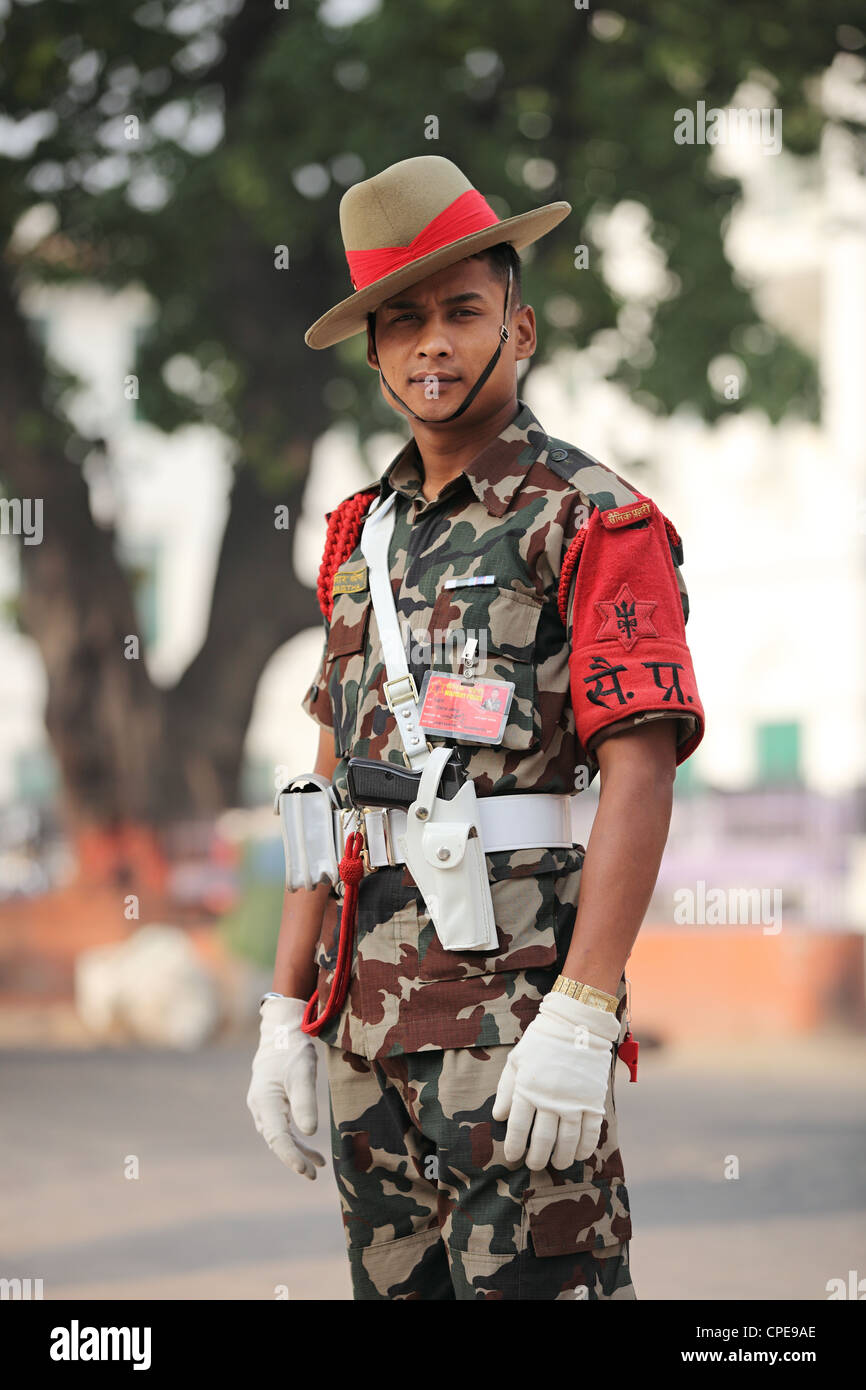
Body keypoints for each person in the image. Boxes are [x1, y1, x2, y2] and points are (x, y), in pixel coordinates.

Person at [247, 155, 705, 1301]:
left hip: (517, 1032)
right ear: (373, 353)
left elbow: (639, 770)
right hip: (365, 1040)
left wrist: (585, 1009)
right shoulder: (360, 535)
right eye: (401, 323)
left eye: (461, 311)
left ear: (521, 327)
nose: (431, 346)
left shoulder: (592, 517)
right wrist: (282, 1004)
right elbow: (323, 788)